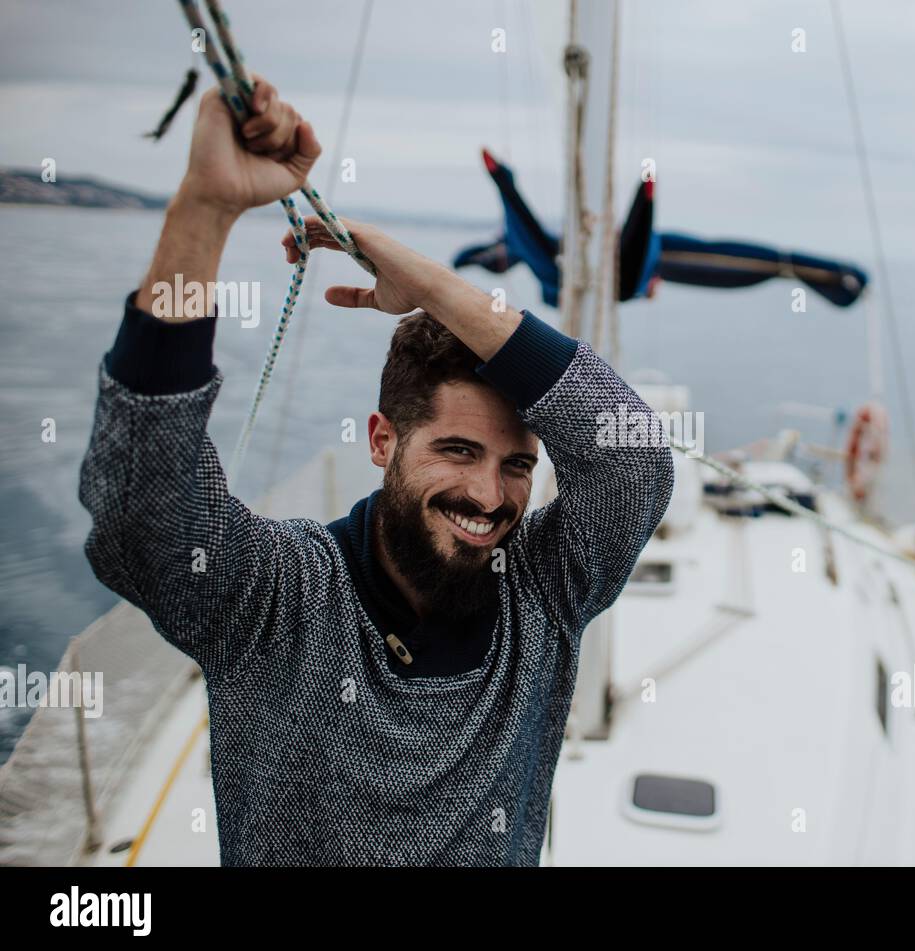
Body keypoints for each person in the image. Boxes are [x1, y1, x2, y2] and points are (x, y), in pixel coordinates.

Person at [78, 77, 675, 865]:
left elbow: (631, 459)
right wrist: (206, 208)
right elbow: (143, 512)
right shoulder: (280, 596)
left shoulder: (543, 589)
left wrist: (431, 286)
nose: (489, 497)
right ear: (382, 440)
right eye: (458, 451)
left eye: (518, 465)